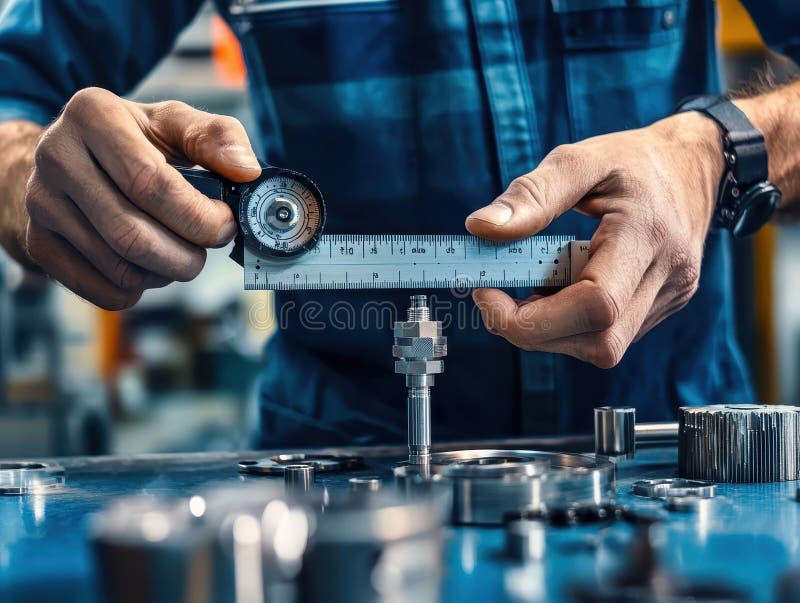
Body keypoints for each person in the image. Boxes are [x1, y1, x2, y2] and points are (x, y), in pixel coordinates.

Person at [0, 1, 797, 446]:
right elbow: (13, 95)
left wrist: (714, 155)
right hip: (338, 473)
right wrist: (34, 172)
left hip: (673, 446)